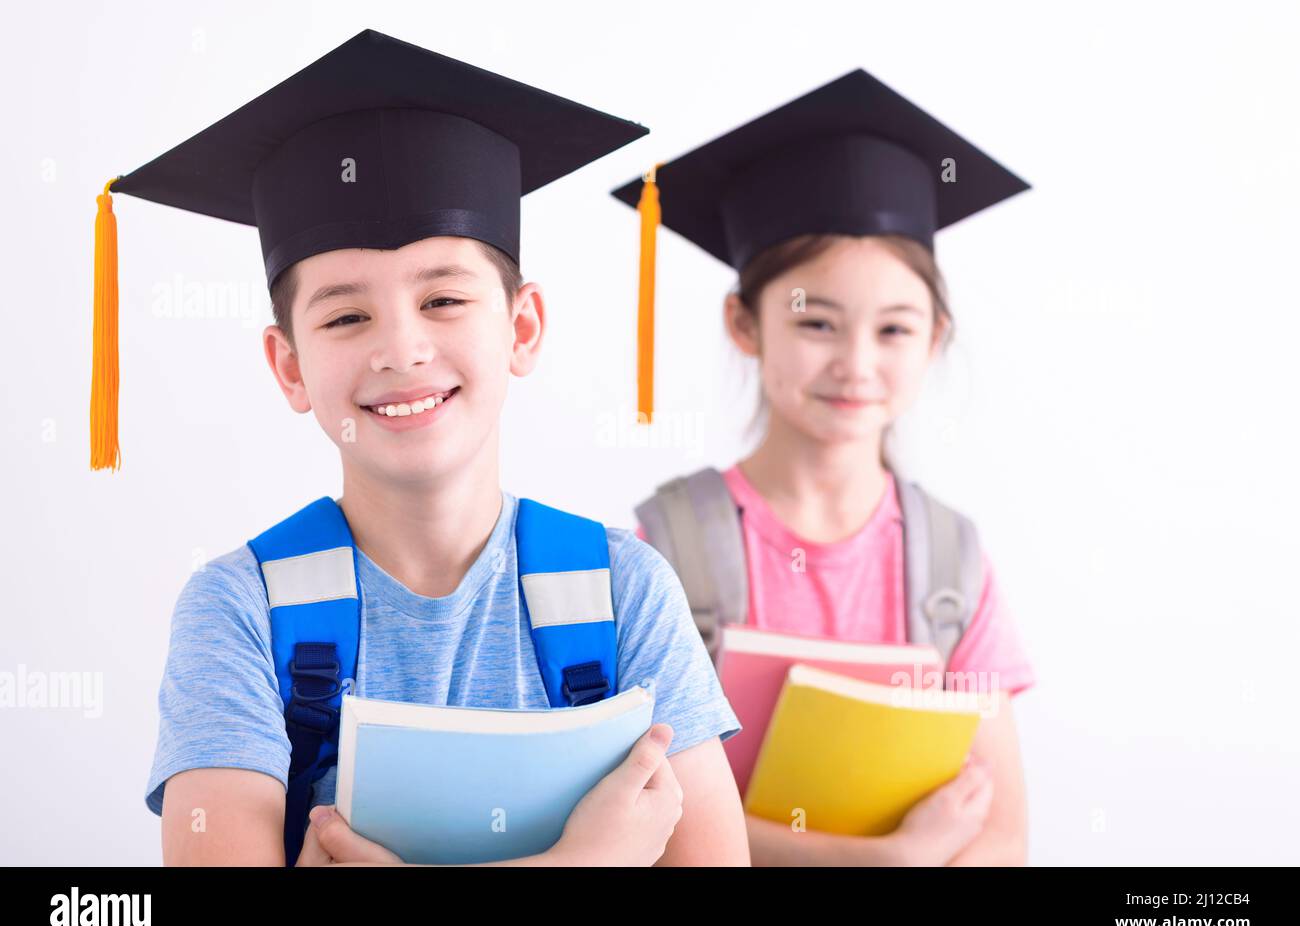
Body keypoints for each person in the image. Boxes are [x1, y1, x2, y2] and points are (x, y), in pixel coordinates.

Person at [110, 29, 746, 866]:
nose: (401, 348)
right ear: (289, 365)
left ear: (521, 328)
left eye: (444, 298)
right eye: (345, 316)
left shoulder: (624, 592)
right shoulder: (237, 613)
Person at [612, 69, 1035, 865]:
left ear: (935, 336)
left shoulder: (953, 563)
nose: (855, 363)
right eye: (818, 322)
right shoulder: (664, 550)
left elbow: (999, 835)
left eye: (894, 330)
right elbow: (643, 823)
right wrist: (881, 861)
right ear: (745, 322)